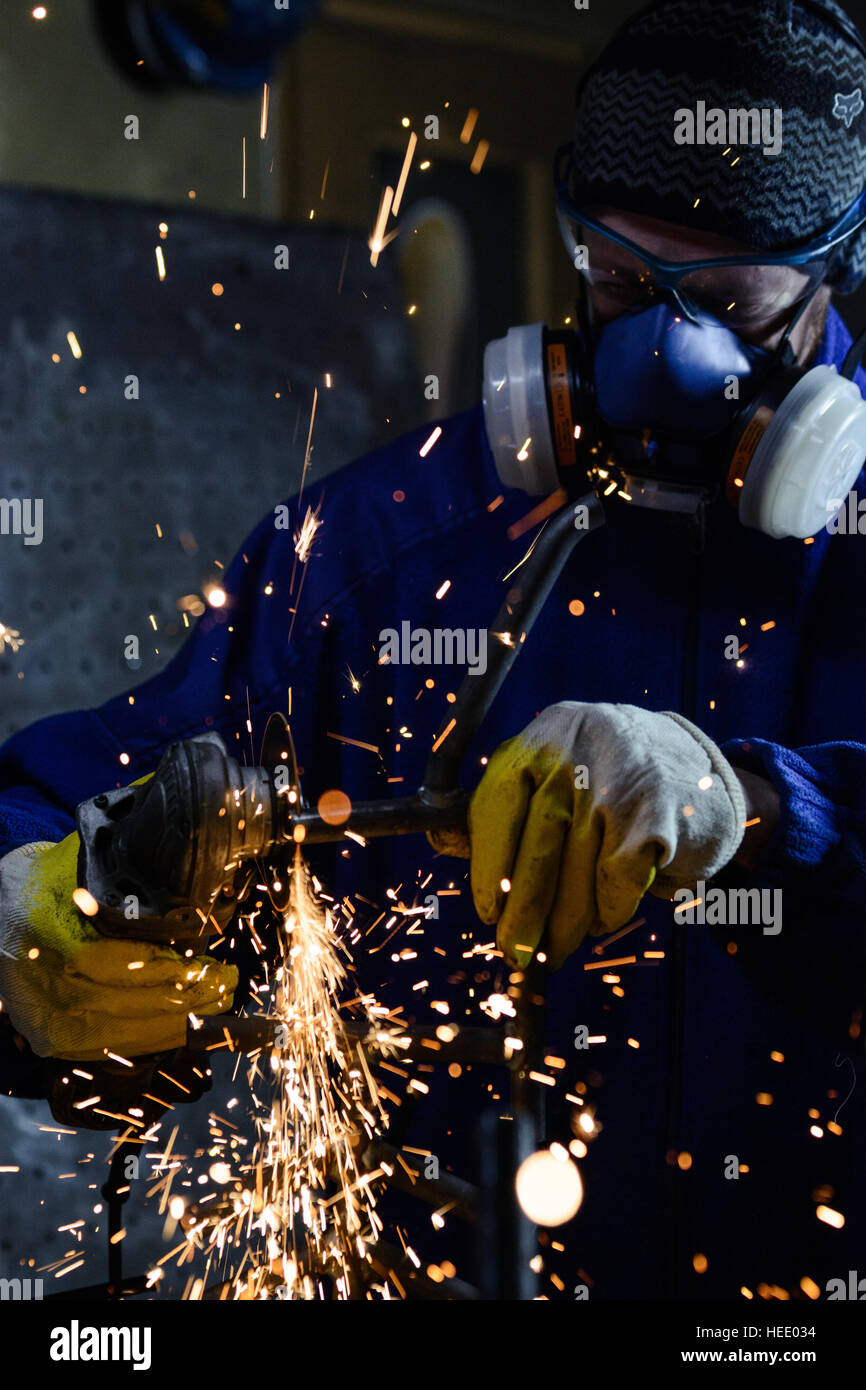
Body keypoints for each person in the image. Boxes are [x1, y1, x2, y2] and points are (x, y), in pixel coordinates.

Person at [1, 0, 865, 1298]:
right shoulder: (379, 549)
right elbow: (91, 787)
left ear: (835, 271)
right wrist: (23, 915)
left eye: (731, 308)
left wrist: (759, 808)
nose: (667, 360)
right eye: (624, 288)